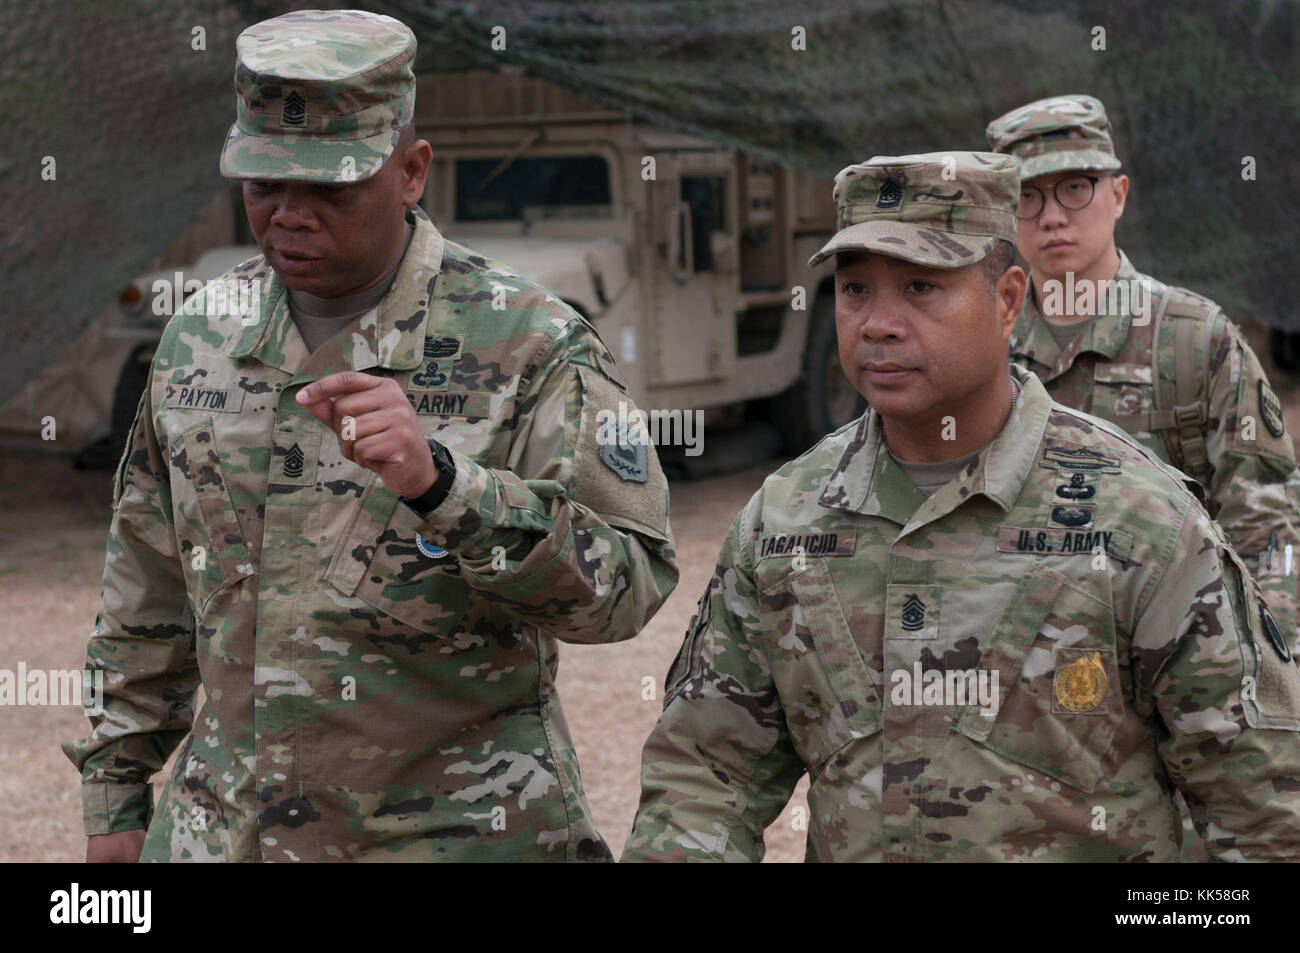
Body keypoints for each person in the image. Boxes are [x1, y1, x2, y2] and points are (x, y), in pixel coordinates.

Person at [65, 8, 677, 863]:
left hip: (456, 836)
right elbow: (146, 581)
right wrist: (114, 797)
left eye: (331, 188)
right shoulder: (199, 337)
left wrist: (446, 487)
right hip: (222, 837)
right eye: (263, 185)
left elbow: (626, 586)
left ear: (412, 171)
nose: (290, 215)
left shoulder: (529, 340)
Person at [622, 151, 1300, 862]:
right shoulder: (787, 522)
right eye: (855, 290)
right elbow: (706, 773)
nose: (878, 323)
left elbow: (1263, 813)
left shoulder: (1140, 520)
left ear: (1009, 300)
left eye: (921, 287)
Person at [986, 94, 1300, 649]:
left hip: (1173, 662)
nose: (1053, 214)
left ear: (1118, 195)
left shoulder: (1195, 340)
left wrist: (1272, 665)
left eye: (1075, 187)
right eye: (1027, 196)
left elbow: (1269, 531)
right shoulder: (980, 349)